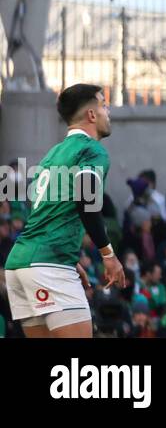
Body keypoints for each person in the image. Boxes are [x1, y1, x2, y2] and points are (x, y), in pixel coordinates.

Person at [4, 84, 126, 338]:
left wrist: (69, 258)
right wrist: (108, 254)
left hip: (20, 265)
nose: (108, 110)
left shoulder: (52, 155)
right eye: (104, 104)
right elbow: (86, 199)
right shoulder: (91, 150)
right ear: (91, 115)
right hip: (49, 264)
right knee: (76, 372)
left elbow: (43, 210)